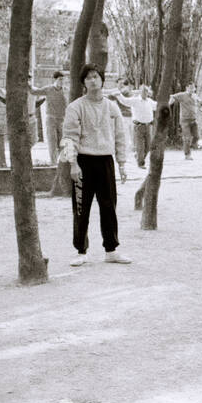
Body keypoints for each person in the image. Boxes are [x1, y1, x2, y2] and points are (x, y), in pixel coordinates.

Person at [59, 64, 130, 266]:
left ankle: (111, 250)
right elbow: (69, 137)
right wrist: (73, 164)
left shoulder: (111, 106)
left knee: (109, 206)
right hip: (83, 161)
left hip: (105, 161)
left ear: (102, 79)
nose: (93, 80)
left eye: (96, 77)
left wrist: (122, 163)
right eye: (88, 78)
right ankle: (81, 251)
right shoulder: (75, 107)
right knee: (81, 207)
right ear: (83, 82)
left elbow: (120, 137)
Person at [30, 71, 69, 165]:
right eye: (60, 79)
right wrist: (27, 83)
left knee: (63, 142)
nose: (62, 82)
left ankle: (61, 162)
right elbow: (34, 92)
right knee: (52, 141)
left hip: (62, 119)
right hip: (51, 119)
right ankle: (53, 163)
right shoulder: (48, 89)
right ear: (54, 80)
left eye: (63, 80)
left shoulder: (66, 90)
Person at [115, 84, 157, 169]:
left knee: (148, 146)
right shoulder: (135, 100)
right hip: (138, 126)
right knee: (140, 146)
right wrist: (119, 95)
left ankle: (138, 156)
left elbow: (157, 106)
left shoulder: (149, 101)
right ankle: (140, 163)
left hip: (148, 126)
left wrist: (169, 101)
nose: (145, 93)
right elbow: (125, 101)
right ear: (140, 92)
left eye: (146, 91)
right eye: (144, 91)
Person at [168, 83, 202, 159]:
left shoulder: (195, 96)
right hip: (185, 120)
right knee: (187, 138)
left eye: (193, 88)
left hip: (193, 119)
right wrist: (169, 104)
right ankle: (187, 155)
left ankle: (191, 145)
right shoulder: (182, 95)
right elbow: (173, 96)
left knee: (196, 136)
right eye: (190, 88)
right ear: (187, 88)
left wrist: (201, 103)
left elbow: (200, 103)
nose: (192, 90)